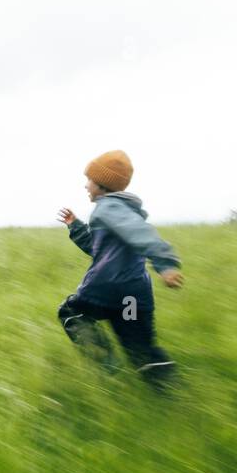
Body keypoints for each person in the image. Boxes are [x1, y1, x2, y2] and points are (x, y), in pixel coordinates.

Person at [56, 150, 183, 384]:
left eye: (89, 180)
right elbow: (98, 249)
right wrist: (76, 227)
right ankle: (171, 388)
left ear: (102, 184)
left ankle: (107, 365)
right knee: (139, 348)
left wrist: (165, 263)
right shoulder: (122, 211)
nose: (86, 186)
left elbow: (141, 234)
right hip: (130, 298)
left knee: (71, 313)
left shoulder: (108, 208)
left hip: (105, 293)